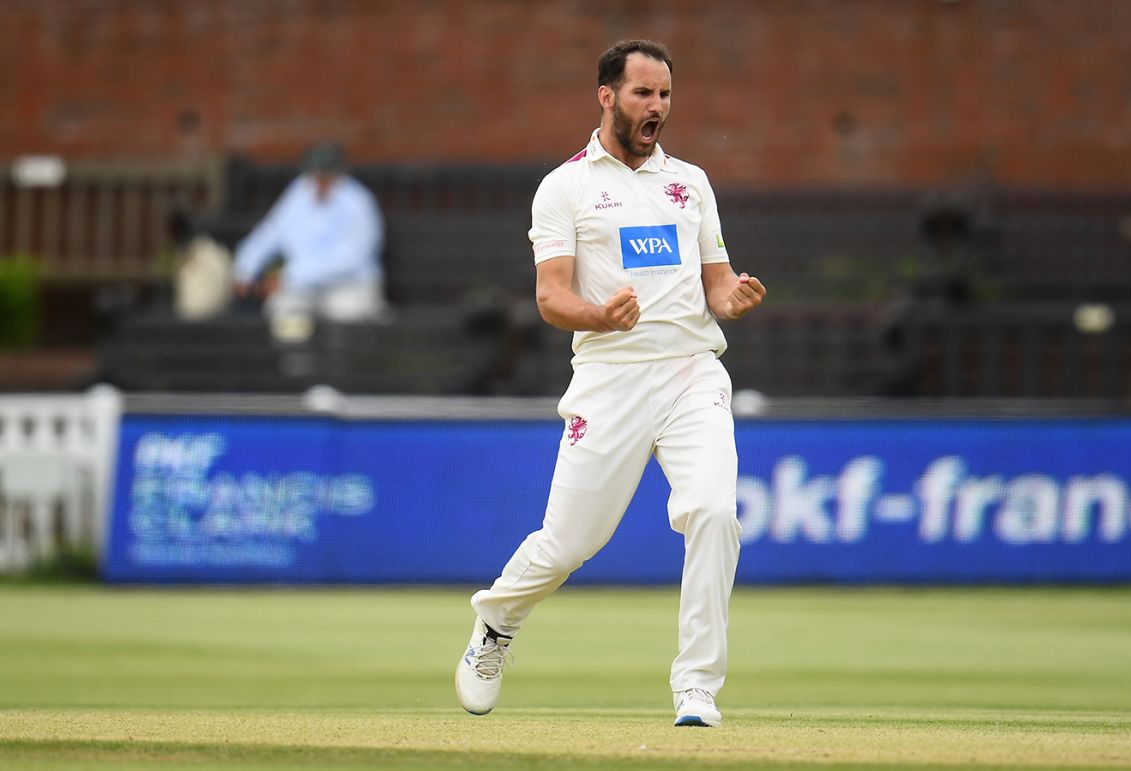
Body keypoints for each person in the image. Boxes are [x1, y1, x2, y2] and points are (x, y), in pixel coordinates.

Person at [454, 39, 767, 728]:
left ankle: (697, 688)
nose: (657, 106)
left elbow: (717, 283)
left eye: (665, 95)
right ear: (607, 96)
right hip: (610, 379)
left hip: (691, 372)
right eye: (642, 93)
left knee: (714, 513)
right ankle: (496, 622)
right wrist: (599, 316)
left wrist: (734, 297)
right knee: (568, 544)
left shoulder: (691, 182)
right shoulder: (564, 187)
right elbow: (550, 297)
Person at [232, 141, 386, 324]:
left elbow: (350, 260)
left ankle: (344, 345)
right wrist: (246, 268)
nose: (320, 180)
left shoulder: (358, 201)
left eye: (327, 174)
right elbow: (269, 233)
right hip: (301, 286)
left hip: (349, 285)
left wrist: (289, 277)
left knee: (343, 312)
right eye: (316, 173)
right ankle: (295, 345)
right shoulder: (299, 193)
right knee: (284, 308)